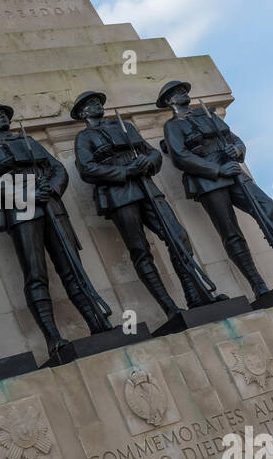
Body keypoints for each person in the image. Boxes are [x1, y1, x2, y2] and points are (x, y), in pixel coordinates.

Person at [156, 81, 273, 299]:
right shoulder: (172, 126)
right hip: (209, 180)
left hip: (235, 171)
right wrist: (218, 170)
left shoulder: (207, 115)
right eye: (177, 92)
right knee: (231, 234)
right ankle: (258, 285)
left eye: (184, 90)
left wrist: (236, 150)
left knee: (270, 209)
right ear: (169, 101)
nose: (183, 93)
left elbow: (235, 139)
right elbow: (181, 157)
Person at [0, 102, 111, 358]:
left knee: (72, 266)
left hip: (52, 205)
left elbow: (57, 167)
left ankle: (96, 322)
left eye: (4, 113)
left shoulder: (29, 141)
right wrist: (28, 194)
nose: (1, 117)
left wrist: (51, 188)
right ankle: (52, 337)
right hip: (22, 212)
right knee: (35, 274)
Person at [72, 90, 220, 319]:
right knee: (140, 251)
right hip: (119, 196)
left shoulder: (124, 126)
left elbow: (151, 152)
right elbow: (87, 168)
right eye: (90, 104)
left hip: (146, 188)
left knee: (177, 236)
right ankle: (169, 308)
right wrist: (124, 171)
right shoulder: (84, 138)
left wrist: (147, 160)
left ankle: (195, 294)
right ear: (83, 113)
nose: (96, 106)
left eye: (97, 102)